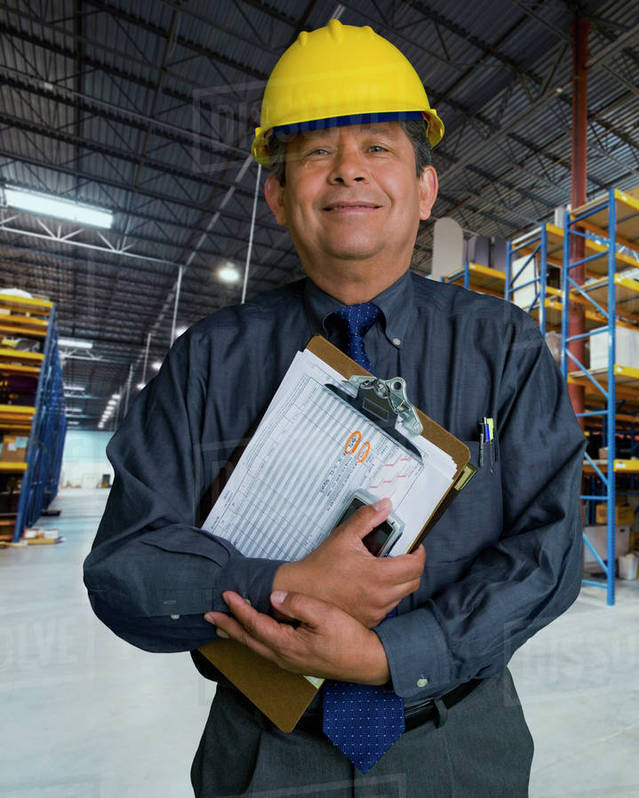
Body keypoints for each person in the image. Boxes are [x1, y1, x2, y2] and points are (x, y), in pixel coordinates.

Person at [83, 19, 583, 797]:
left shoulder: (505, 348)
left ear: (424, 191)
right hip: (266, 754)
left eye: (379, 147)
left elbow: (550, 555)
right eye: (317, 152)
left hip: (461, 751)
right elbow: (125, 570)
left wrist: (394, 657)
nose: (348, 171)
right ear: (279, 196)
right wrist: (282, 582)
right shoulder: (209, 361)